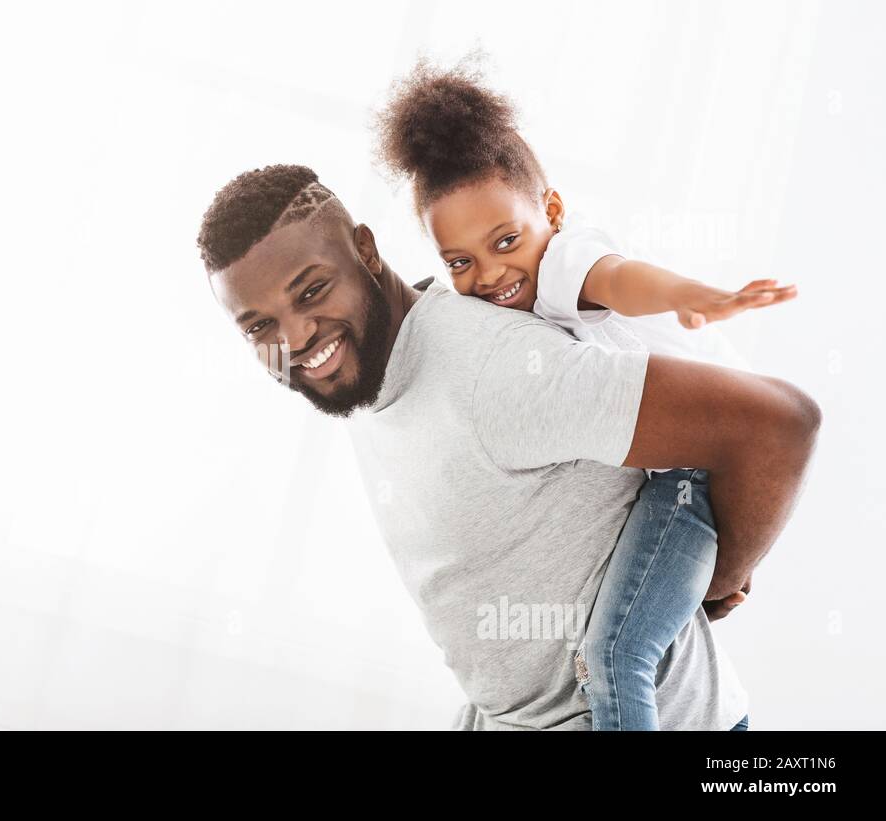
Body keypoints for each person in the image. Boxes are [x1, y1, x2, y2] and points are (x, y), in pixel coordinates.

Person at [196, 164, 820, 729]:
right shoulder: (367, 372)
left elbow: (777, 424)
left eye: (311, 292)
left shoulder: (493, 368)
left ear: (365, 250)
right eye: (260, 325)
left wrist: (717, 581)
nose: (298, 337)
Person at [369, 61, 798, 730]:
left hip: (691, 480)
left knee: (612, 657)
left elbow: (619, 278)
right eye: (460, 261)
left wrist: (695, 295)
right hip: (673, 486)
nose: (489, 274)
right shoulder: (491, 323)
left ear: (553, 212)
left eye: (505, 241)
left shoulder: (562, 265)